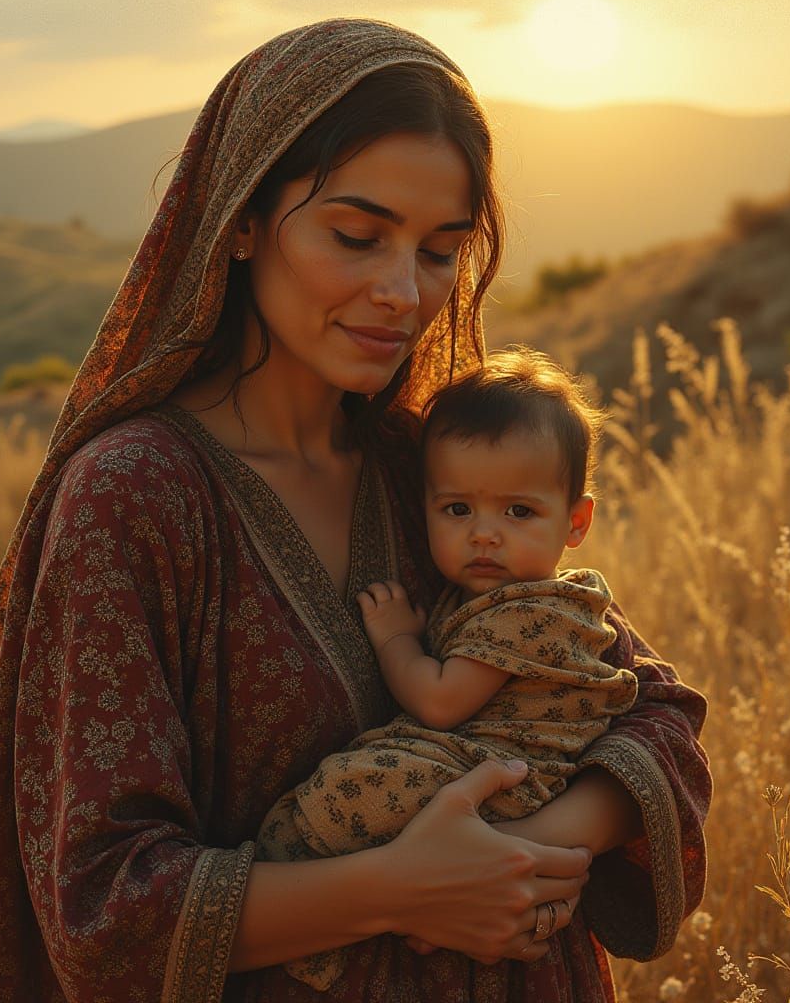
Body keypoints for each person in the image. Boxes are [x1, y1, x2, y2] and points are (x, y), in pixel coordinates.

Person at [0, 18, 711, 1003]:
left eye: (441, 251)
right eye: (356, 236)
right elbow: (102, 898)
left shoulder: (428, 468)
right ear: (245, 220)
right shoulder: (134, 496)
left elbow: (647, 706)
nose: (402, 292)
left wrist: (522, 849)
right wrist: (396, 890)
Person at [260, 349, 642, 991]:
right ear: (425, 504)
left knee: (342, 794)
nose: (484, 535)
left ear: (576, 522)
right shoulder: (532, 598)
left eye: (518, 512)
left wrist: (393, 639)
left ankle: (310, 943)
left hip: (502, 775)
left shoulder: (527, 612)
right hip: (489, 771)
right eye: (457, 510)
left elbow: (440, 702)